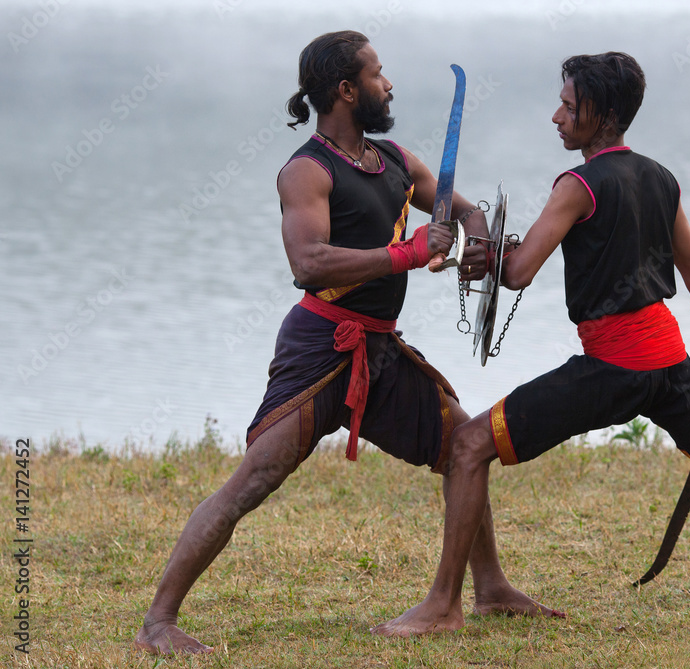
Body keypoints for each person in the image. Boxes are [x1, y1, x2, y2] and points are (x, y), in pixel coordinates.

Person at [373, 51, 690, 637]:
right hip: (670, 363)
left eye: (568, 107)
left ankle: (444, 604)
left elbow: (516, 274)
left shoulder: (578, 185)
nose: (557, 117)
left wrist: (466, 253)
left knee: (465, 445)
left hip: (612, 367)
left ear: (603, 113)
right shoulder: (661, 178)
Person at [134, 31, 560, 656]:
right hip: (319, 348)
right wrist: (409, 253)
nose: (389, 85)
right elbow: (309, 262)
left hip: (383, 353)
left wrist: (476, 245)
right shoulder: (306, 170)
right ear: (345, 89)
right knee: (253, 481)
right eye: (379, 74)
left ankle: (490, 587)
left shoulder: (395, 161)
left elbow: (465, 212)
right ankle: (158, 624)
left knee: (465, 445)